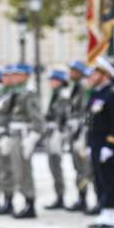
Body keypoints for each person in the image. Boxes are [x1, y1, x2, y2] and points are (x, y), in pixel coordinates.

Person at [0, 64, 42, 218]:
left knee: (24, 171)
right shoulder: (16, 93)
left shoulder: (28, 94)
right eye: (13, 74)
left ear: (26, 76)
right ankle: (20, 202)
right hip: (13, 135)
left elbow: (37, 120)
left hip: (23, 136)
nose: (14, 77)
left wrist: (32, 138)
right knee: (15, 170)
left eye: (17, 74)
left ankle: (30, 204)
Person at [86, 56, 114, 228]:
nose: (91, 76)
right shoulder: (96, 94)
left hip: (106, 144)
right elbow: (91, 121)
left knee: (109, 178)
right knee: (98, 178)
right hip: (96, 143)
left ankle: (111, 212)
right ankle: (103, 210)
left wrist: (111, 145)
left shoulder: (113, 94)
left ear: (104, 75)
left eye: (95, 73)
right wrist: (89, 144)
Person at [65, 60, 93, 213]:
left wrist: (81, 134)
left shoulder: (83, 87)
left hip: (80, 131)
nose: (70, 73)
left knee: (85, 168)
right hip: (73, 130)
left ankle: (89, 199)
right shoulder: (74, 87)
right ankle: (81, 197)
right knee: (77, 168)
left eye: (73, 70)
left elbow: (85, 112)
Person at [42, 68, 71, 211]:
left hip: (57, 133)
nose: (50, 83)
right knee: (53, 166)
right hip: (51, 132)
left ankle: (61, 197)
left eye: (53, 80)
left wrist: (60, 134)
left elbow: (63, 117)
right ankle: (58, 196)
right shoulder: (56, 94)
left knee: (56, 166)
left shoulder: (63, 96)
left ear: (59, 81)